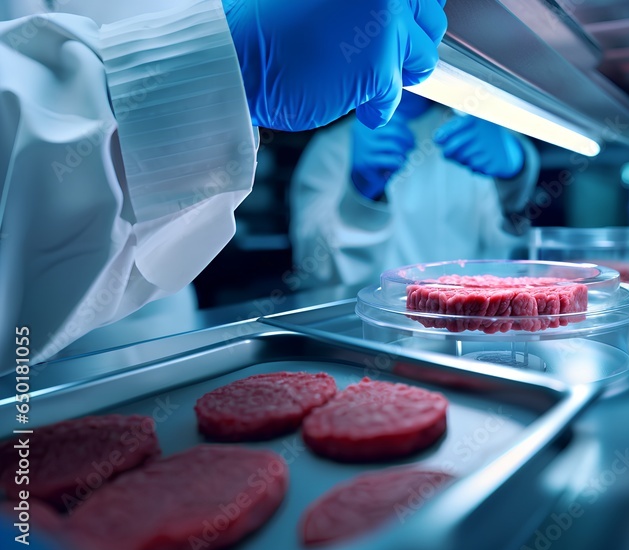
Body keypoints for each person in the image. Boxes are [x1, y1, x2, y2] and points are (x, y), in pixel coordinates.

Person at [0, 0, 448, 363]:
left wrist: (518, 187)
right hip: (40, 368)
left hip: (167, 337)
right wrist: (223, 65)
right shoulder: (337, 150)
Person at [290, 92, 539, 289]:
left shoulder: (477, 136)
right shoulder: (332, 148)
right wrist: (361, 194)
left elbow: (511, 253)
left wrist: (517, 174)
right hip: (374, 333)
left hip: (473, 328)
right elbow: (314, 271)